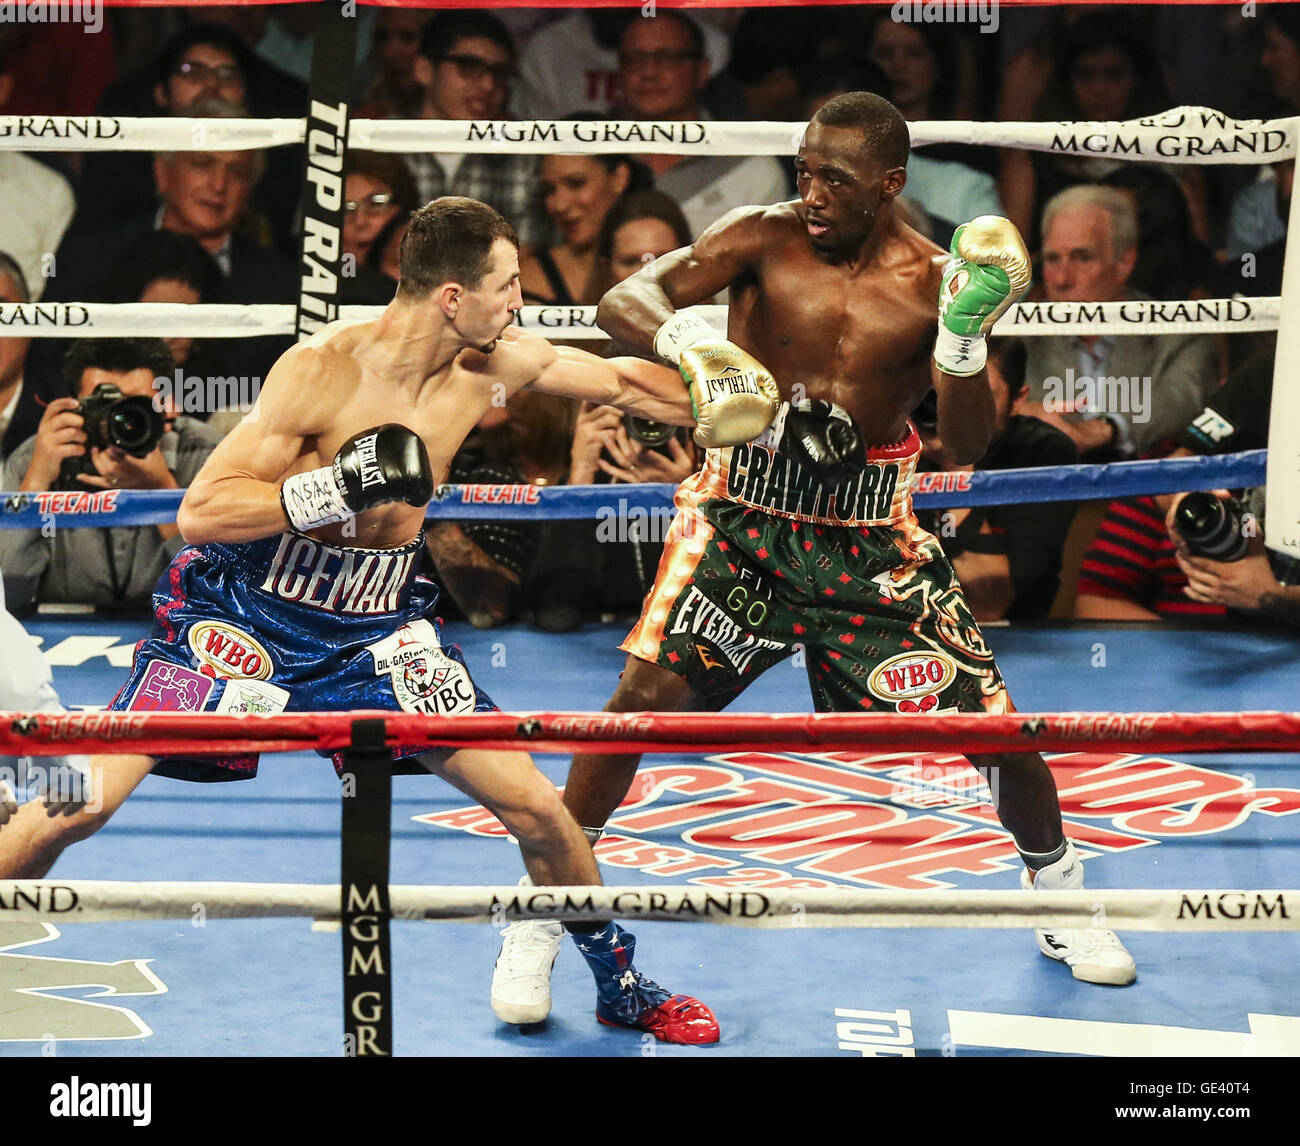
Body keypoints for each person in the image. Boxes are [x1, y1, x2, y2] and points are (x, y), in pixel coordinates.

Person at [0, 196, 781, 1043]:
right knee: (76, 804)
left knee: (538, 811)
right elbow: (202, 513)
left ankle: (619, 984)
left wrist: (730, 383)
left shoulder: (492, 363)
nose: (521, 303)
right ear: (454, 297)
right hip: (247, 617)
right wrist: (332, 488)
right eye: (508, 285)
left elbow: (629, 383)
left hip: (376, 627)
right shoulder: (322, 369)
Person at [490, 92, 1137, 1025]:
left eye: (835, 176)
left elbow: (966, 449)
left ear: (890, 183)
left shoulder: (934, 280)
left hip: (872, 537)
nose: (812, 190)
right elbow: (624, 296)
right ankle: (545, 911)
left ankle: (1062, 893)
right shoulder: (761, 235)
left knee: (994, 730)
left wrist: (960, 344)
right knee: (636, 708)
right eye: (804, 167)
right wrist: (690, 344)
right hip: (743, 519)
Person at [0, 338, 223, 613]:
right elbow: (9, 595)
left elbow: (221, 593)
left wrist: (161, 491)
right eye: (103, 404)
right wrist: (36, 484)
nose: (119, 418)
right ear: (74, 404)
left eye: (135, 404)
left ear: (166, 407)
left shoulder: (206, 455)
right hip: (64, 633)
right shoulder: (38, 456)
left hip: (177, 627)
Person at [1022, 185, 1220, 461]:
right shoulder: (1018, 338)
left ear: (1125, 261)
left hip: (1146, 494)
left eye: (1082, 258)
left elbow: (1182, 405)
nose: (1061, 279)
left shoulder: (1179, 333)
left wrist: (1109, 429)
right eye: (1053, 259)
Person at [915, 337, 1080, 621]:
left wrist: (957, 466)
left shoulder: (1043, 453)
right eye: (939, 395)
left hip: (1009, 642)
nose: (951, 412)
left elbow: (988, 606)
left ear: (1017, 400)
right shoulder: (885, 448)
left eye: (977, 397)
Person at [613, 10, 789, 238]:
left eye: (666, 58)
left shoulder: (752, 169)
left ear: (702, 70)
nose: (649, 72)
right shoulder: (595, 157)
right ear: (619, 72)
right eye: (635, 59)